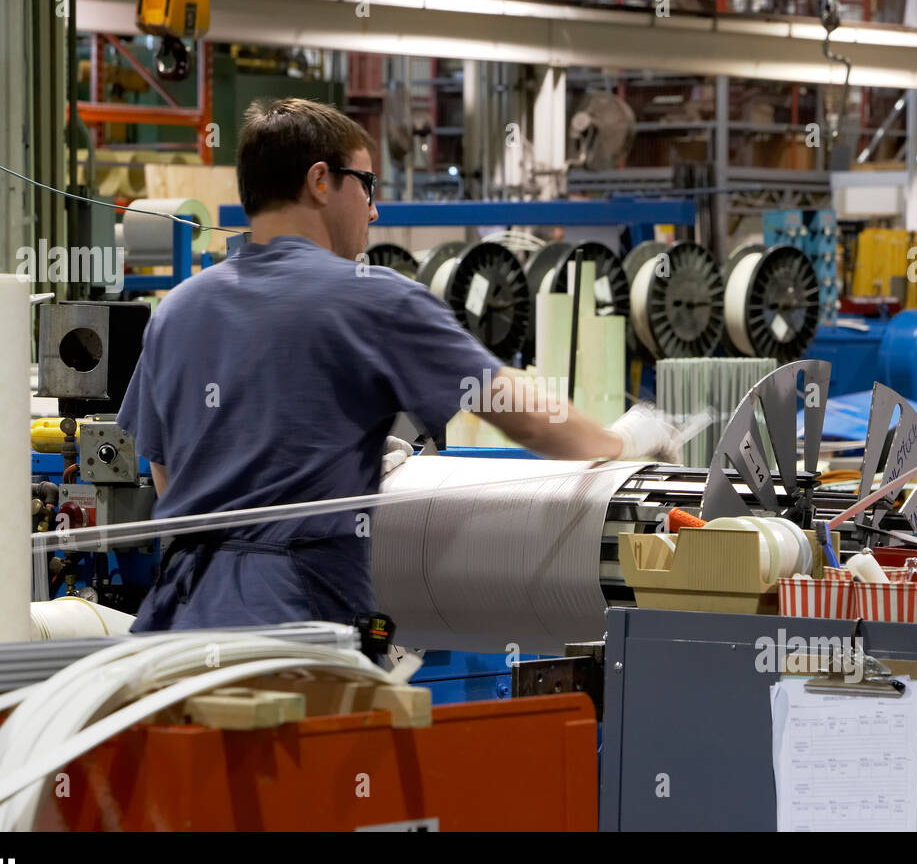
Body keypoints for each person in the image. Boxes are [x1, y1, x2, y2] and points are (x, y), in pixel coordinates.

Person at [116, 97, 683, 631]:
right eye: (366, 185)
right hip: (294, 623)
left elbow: (165, 473)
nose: (375, 208)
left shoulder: (179, 309)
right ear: (319, 182)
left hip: (176, 618)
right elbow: (524, 415)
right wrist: (622, 441)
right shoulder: (371, 298)